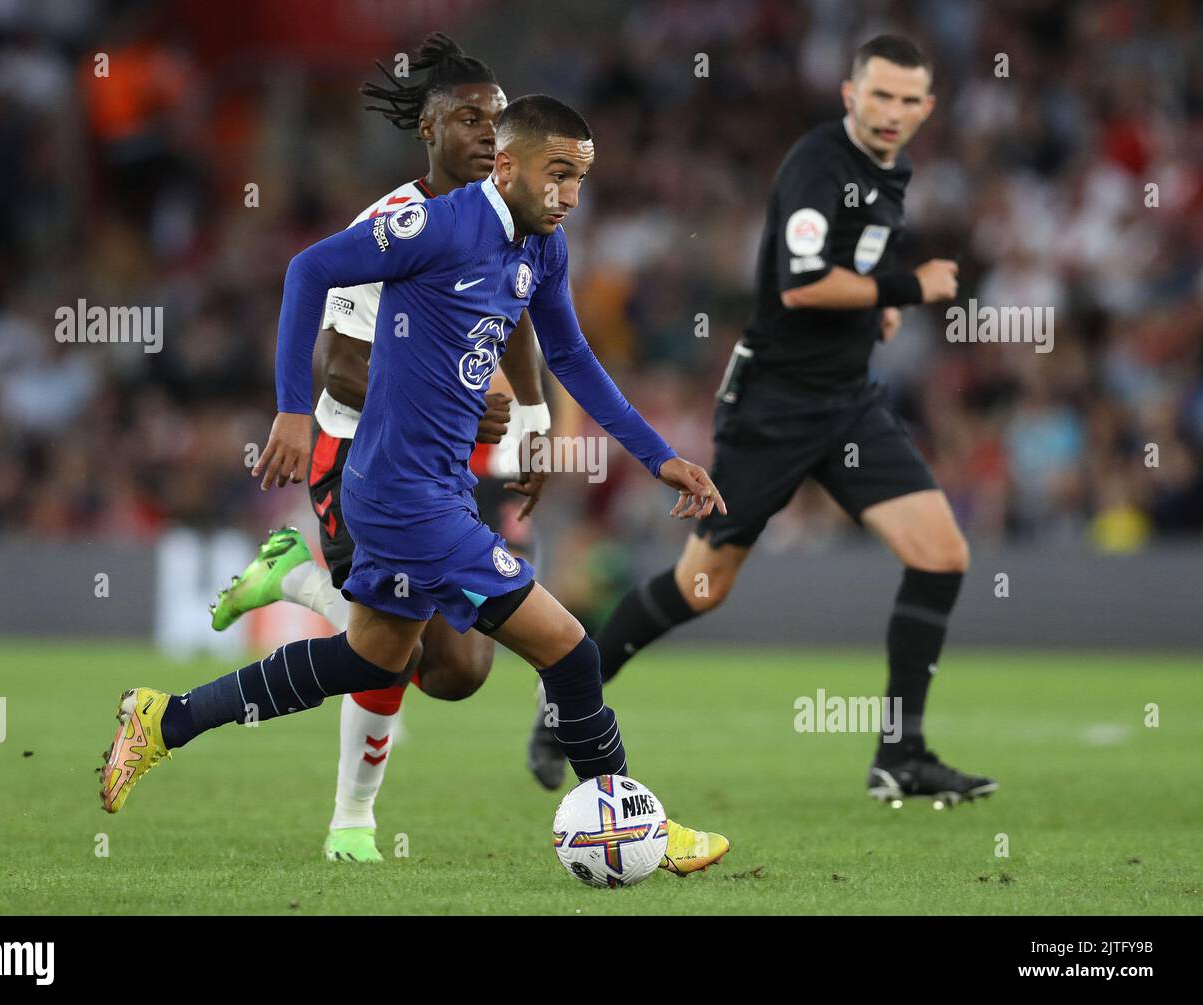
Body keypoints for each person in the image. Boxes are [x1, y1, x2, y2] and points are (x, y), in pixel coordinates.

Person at [101, 93, 732, 877]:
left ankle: (167, 720)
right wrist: (294, 413)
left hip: (436, 489)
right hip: (404, 497)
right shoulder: (439, 226)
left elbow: (572, 359)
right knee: (570, 652)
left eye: (581, 179)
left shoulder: (543, 249)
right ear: (507, 167)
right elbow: (309, 269)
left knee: (369, 662)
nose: (570, 195)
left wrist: (659, 455)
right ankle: (640, 825)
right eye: (558, 175)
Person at [538, 35, 996, 807]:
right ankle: (563, 709)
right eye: (877, 95)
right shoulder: (820, 163)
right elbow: (802, 286)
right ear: (850, 95)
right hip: (775, 406)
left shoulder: (894, 171)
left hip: (847, 403)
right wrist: (907, 287)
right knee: (701, 586)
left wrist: (878, 307)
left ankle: (901, 754)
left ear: (927, 107)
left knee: (942, 552)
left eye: (906, 99)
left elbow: (847, 273)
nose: (891, 112)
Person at [205, 34, 550, 864]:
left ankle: (297, 579)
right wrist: (464, 406)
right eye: (468, 119)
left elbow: (517, 309)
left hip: (433, 470)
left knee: (460, 671)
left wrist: (535, 419)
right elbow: (339, 361)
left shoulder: (503, 219)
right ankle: (351, 822)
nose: (487, 135)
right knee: (385, 648)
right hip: (356, 462)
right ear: (428, 129)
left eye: (498, 122)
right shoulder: (399, 225)